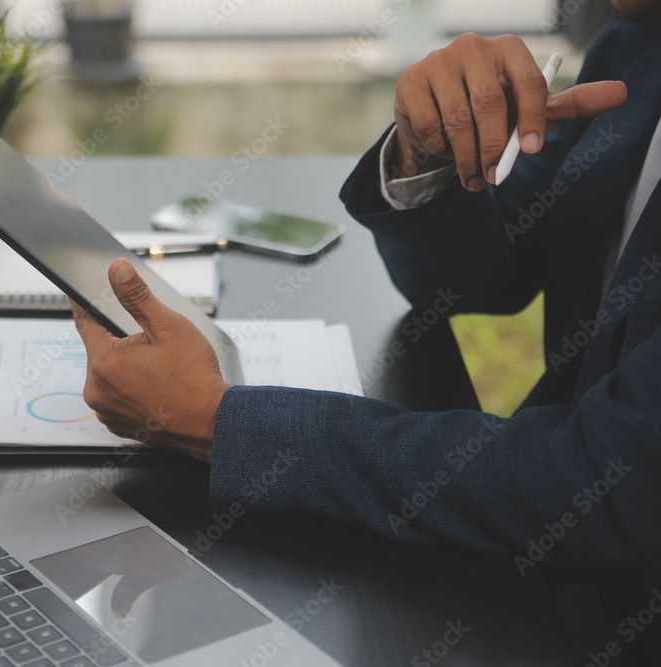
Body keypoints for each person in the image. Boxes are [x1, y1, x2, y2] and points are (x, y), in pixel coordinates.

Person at [71, 2, 661, 661]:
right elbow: (488, 276)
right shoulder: (638, 41)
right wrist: (423, 152)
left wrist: (222, 422)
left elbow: (602, 483)